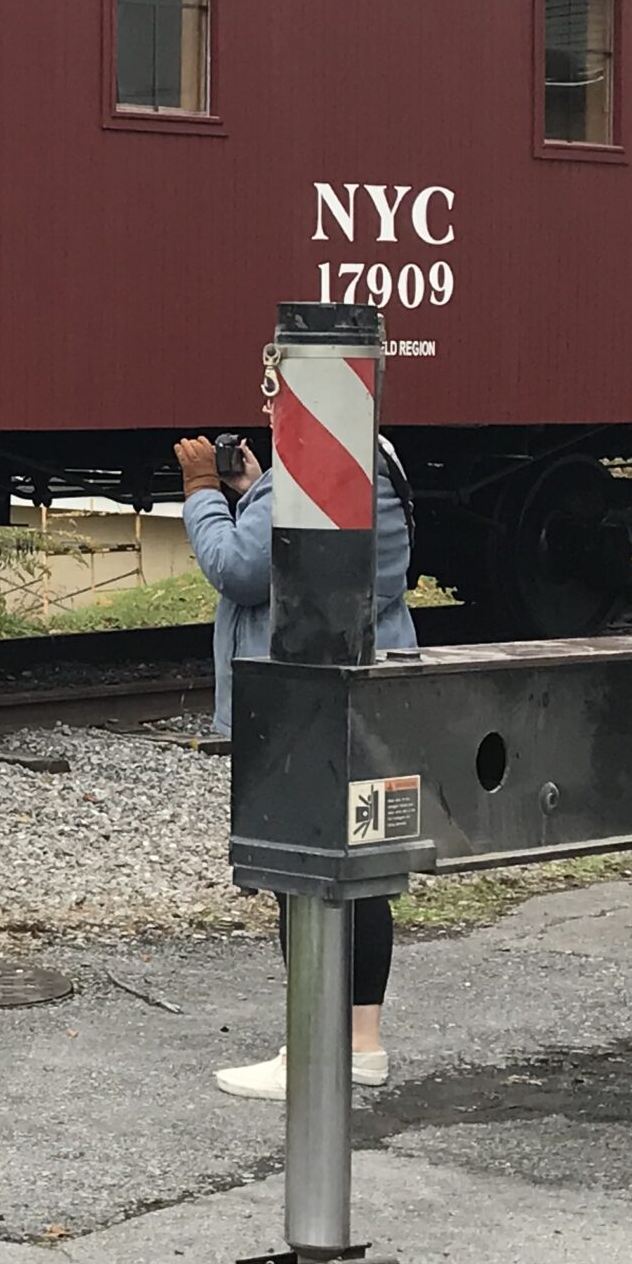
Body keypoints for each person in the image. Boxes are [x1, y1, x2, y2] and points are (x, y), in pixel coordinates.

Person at [175, 414, 417, 1102]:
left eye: (276, 383)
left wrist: (203, 493)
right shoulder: (378, 459)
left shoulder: (317, 468)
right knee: (360, 869)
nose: (271, 404)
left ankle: (313, 1053)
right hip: (364, 674)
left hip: (302, 691)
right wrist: (255, 491)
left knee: (301, 867)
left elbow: (240, 571)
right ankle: (360, 1044)